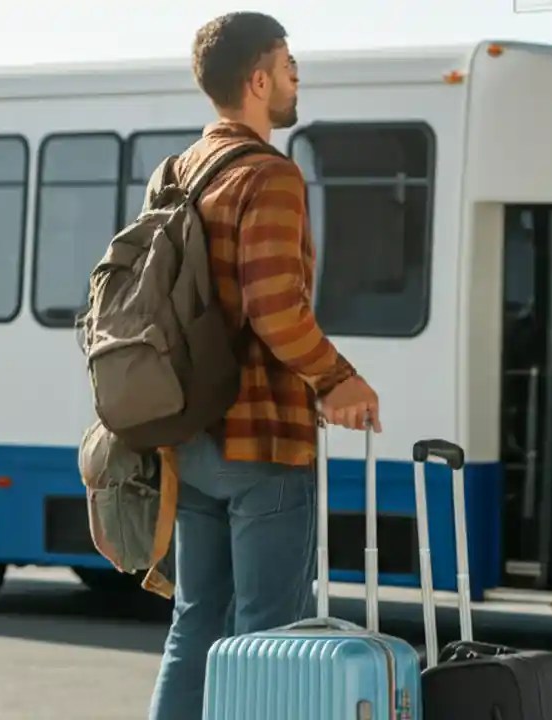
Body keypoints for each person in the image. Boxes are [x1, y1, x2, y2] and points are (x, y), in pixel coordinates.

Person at [147, 12, 382, 720]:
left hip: (189, 433)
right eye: (288, 66)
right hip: (263, 438)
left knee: (195, 623)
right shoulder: (270, 177)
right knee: (270, 636)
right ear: (257, 79)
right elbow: (276, 307)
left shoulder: (179, 172)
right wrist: (340, 378)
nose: (295, 77)